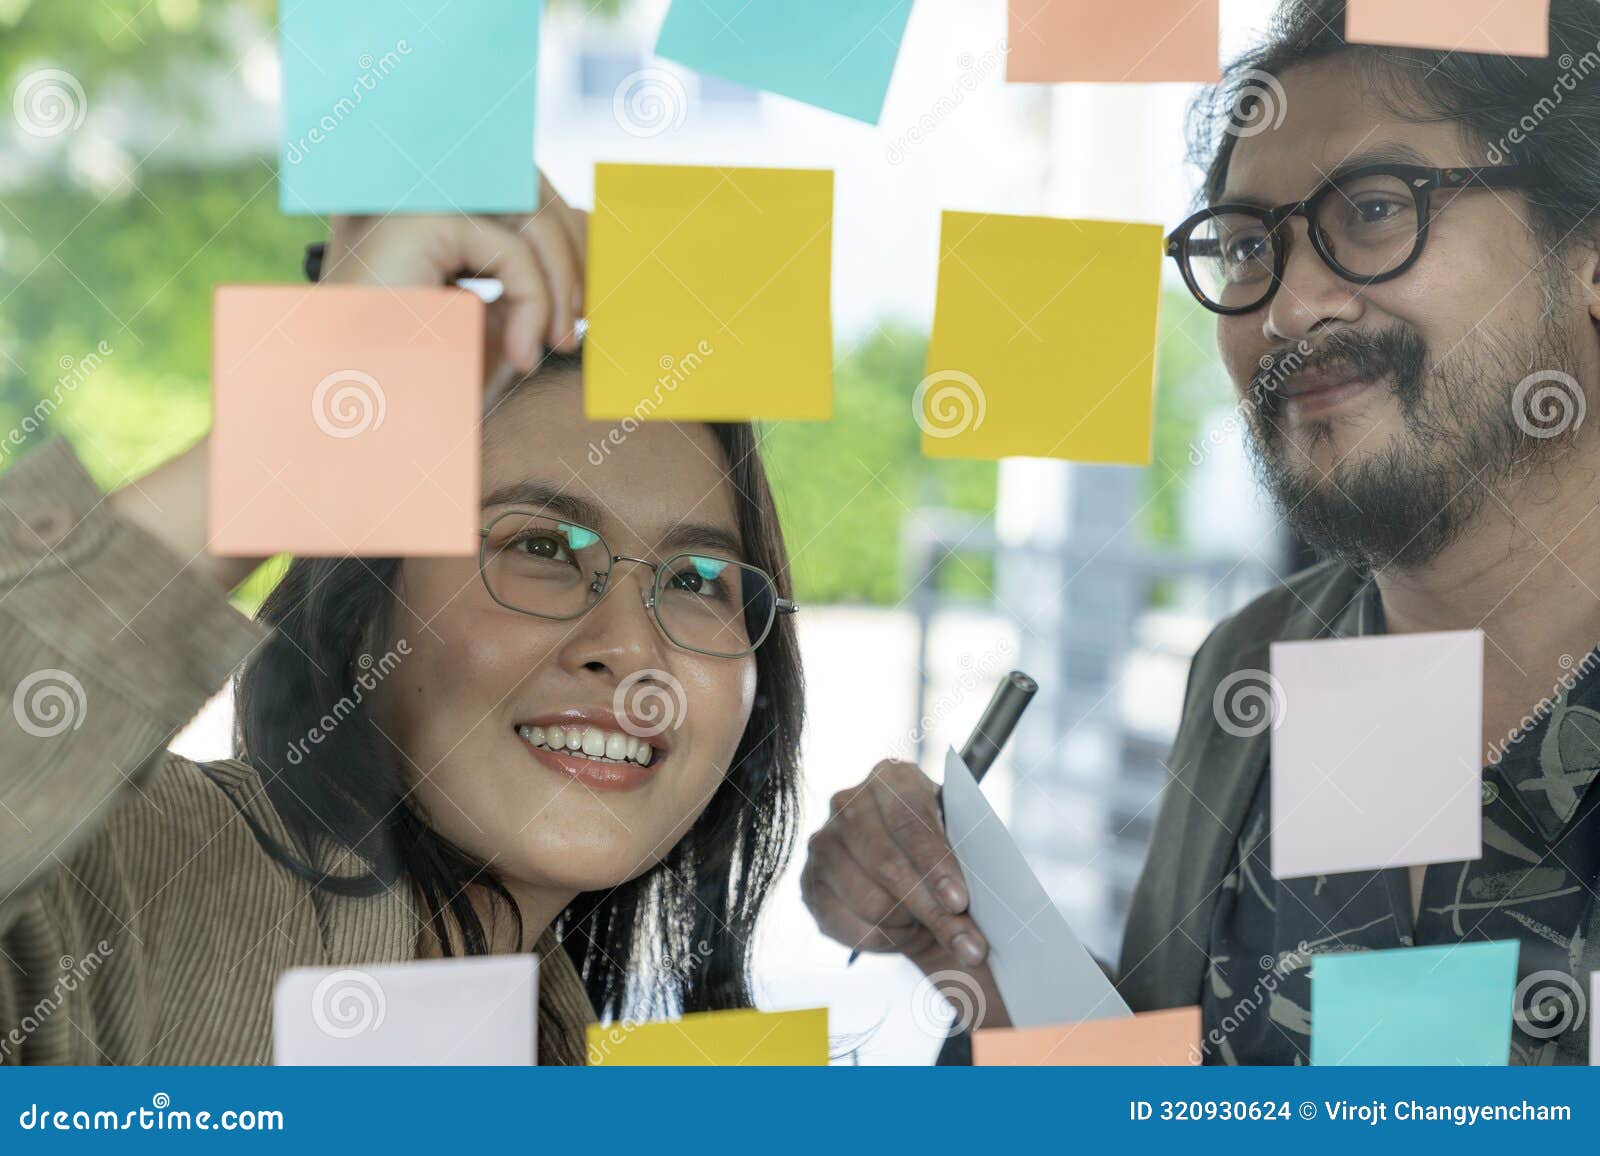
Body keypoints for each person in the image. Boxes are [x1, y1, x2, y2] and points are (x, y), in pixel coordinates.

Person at [802, 0, 1600, 1065]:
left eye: (1371, 209)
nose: (1284, 306)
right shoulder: (1257, 672)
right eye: (1241, 246)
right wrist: (973, 952)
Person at [0, 190, 805, 1064]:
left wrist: (974, 970)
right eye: (541, 544)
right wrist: (291, 436)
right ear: (360, 611)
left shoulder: (571, 1047)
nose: (633, 652)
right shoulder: (140, 883)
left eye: (695, 580)